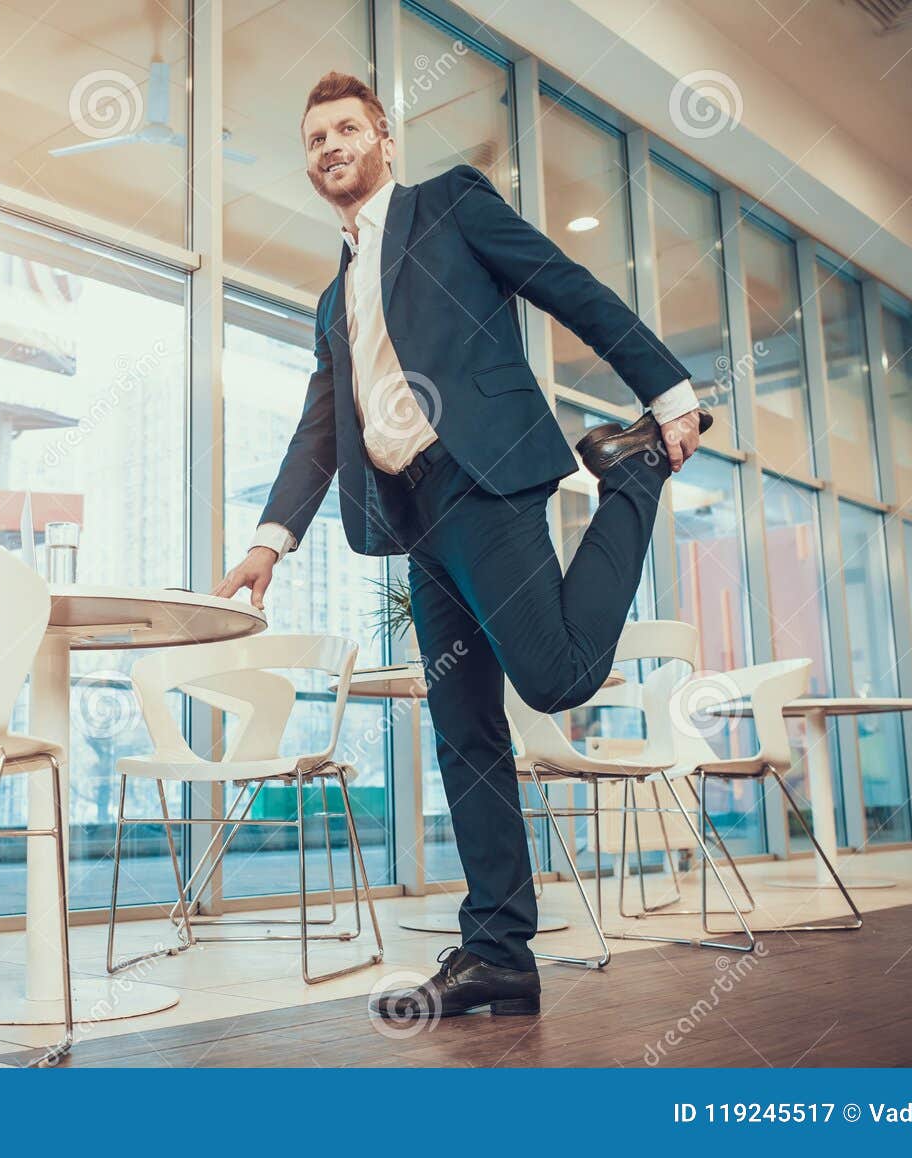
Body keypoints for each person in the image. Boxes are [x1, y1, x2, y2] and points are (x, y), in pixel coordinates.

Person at [213, 72, 709, 1020]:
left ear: (384, 140)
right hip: (413, 514)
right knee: (465, 734)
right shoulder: (332, 299)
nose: (329, 146)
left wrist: (667, 388)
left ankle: (634, 474)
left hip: (483, 473)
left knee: (556, 677)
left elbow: (565, 284)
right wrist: (270, 543)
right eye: (315, 137)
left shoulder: (450, 207)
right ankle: (500, 953)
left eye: (346, 128)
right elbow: (322, 430)